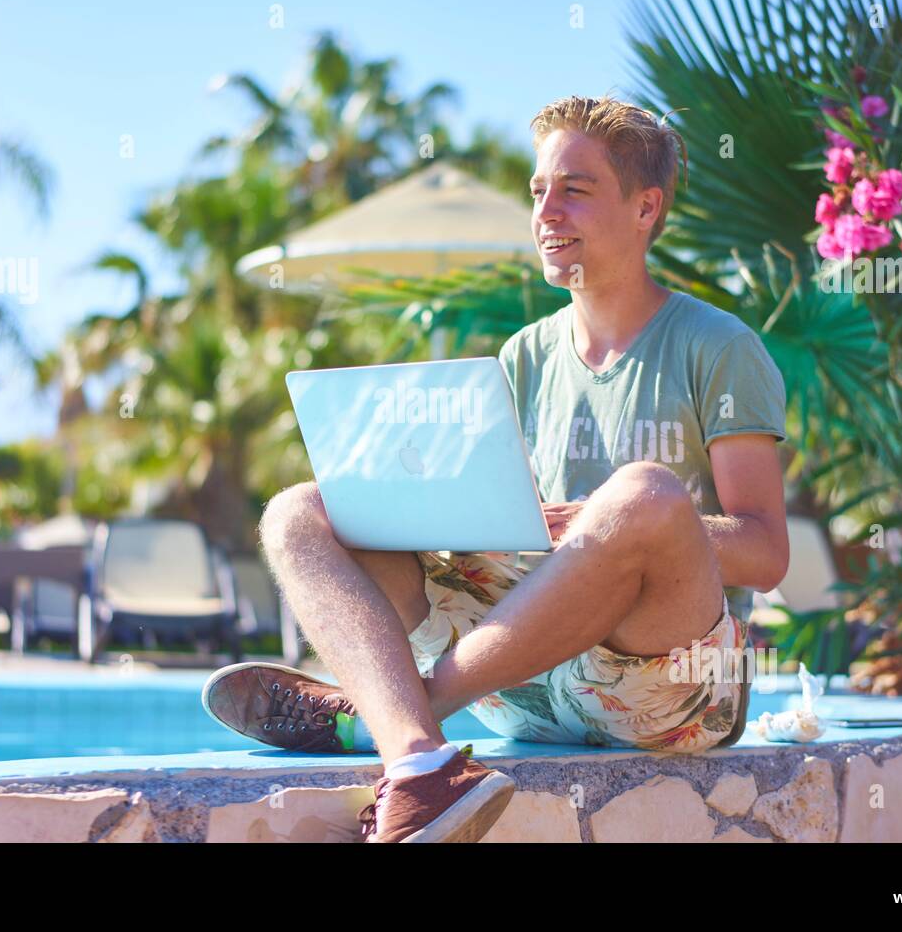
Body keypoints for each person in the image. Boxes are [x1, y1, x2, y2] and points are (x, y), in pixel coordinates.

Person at [203, 95, 790, 843]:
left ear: (646, 208)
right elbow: (498, 533)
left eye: (575, 189)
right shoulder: (522, 356)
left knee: (643, 493)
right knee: (298, 511)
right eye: (538, 191)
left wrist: (600, 519)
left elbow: (766, 550)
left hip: (665, 690)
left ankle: (389, 710)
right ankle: (419, 763)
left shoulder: (718, 345)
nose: (547, 210)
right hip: (525, 679)